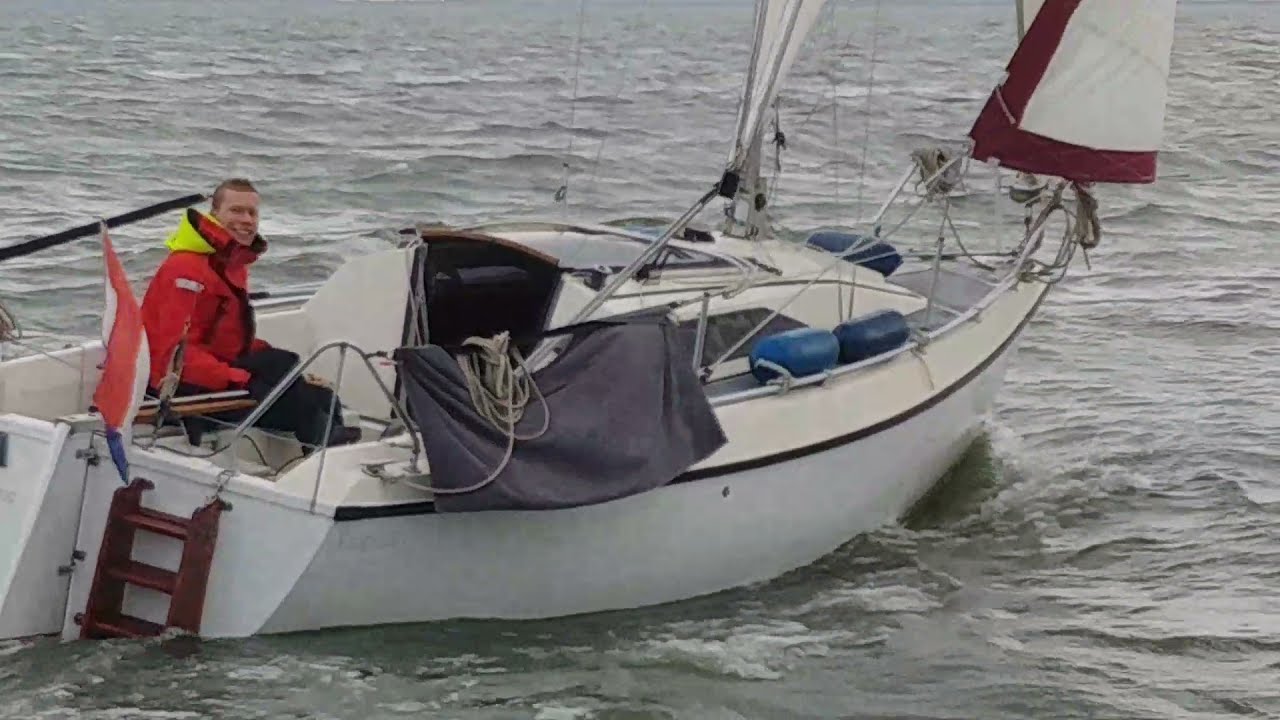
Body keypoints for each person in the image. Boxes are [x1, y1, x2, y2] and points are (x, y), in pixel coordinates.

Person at [139, 178, 360, 449]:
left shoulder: (229, 264)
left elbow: (225, 338)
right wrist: (241, 379)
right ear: (214, 214)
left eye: (252, 213)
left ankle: (325, 457)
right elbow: (172, 356)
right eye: (236, 211)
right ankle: (322, 447)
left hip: (213, 371)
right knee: (302, 401)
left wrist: (272, 364)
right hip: (180, 388)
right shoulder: (186, 269)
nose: (246, 220)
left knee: (304, 380)